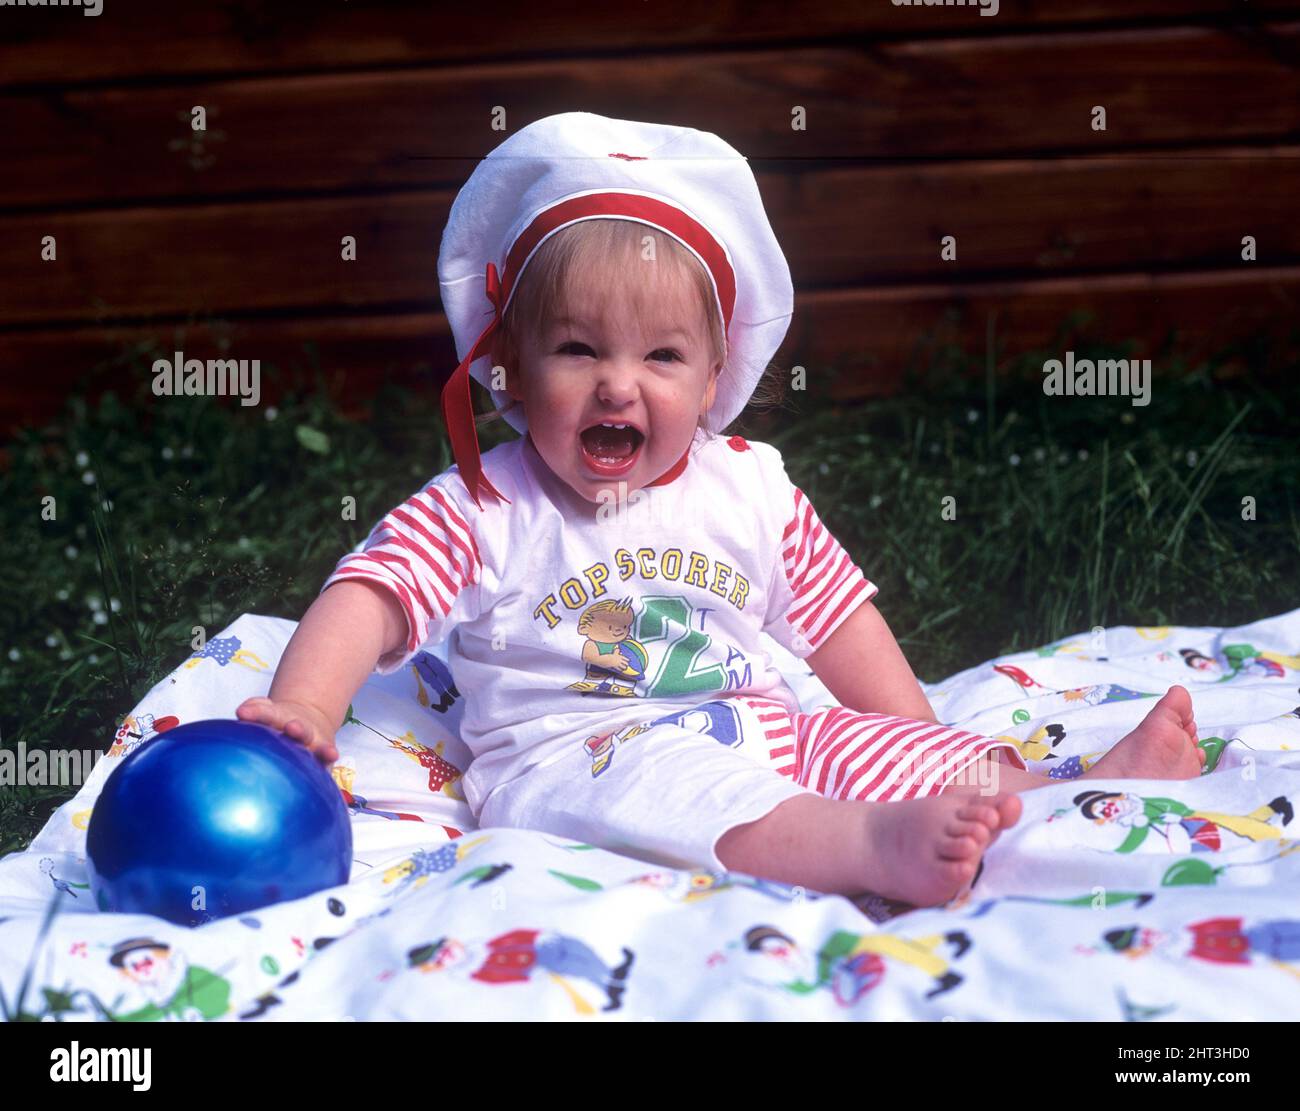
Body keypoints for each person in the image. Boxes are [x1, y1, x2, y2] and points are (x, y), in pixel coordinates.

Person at [237, 113, 1204, 907]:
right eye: (578, 350)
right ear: (513, 376)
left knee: (877, 749)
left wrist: (921, 733)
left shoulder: (747, 487)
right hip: (587, 755)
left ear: (711, 384)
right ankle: (873, 848)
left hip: (762, 719)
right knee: (689, 798)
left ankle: (1080, 795)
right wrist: (305, 707)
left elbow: (836, 620)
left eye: (661, 357)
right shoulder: (488, 504)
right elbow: (370, 591)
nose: (620, 385)